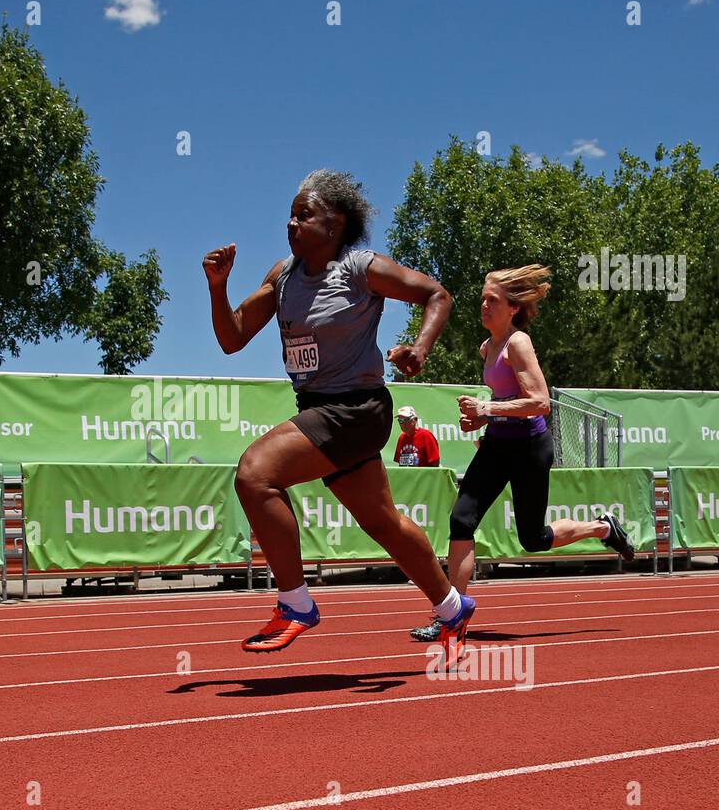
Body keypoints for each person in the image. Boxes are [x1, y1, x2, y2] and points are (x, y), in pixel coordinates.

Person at [204, 169, 476, 661]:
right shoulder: (283, 276)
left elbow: (437, 294)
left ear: (335, 224)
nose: (292, 223)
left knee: (255, 474)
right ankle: (453, 607)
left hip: (357, 409)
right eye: (290, 215)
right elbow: (233, 338)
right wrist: (218, 288)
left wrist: (420, 347)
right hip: (318, 408)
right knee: (383, 524)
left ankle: (295, 603)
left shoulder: (360, 268)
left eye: (304, 215)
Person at [410, 266, 635, 642]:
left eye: (492, 300)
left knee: (533, 539)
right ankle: (451, 615)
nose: (484, 306)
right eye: (482, 299)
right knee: (461, 520)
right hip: (497, 444)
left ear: (513, 308)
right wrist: (480, 420)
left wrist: (486, 409)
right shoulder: (487, 347)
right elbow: (505, 400)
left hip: (530, 447)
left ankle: (602, 528)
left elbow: (540, 402)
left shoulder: (518, 343)